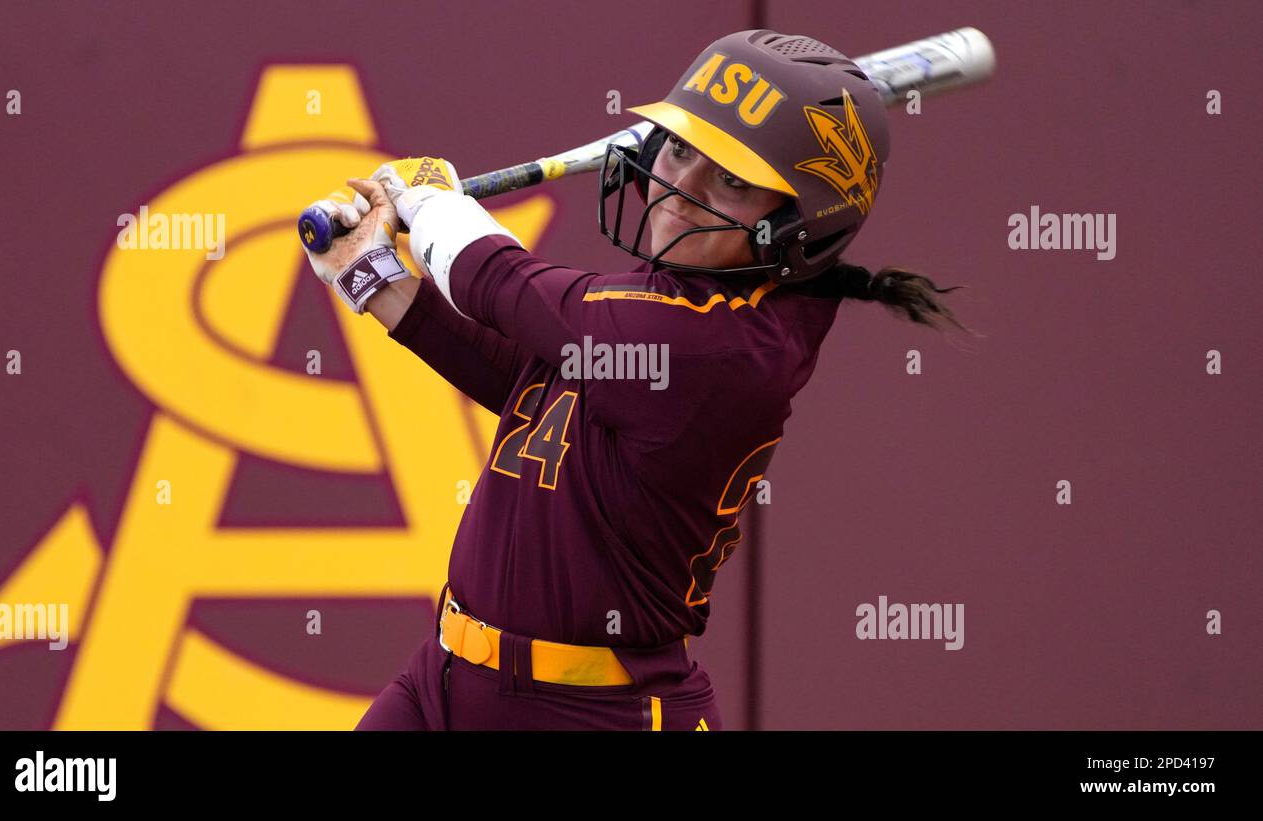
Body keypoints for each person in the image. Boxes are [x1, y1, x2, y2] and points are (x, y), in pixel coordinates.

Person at [303, 30, 972, 730]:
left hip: (595, 710)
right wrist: (372, 276)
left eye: (732, 180)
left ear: (800, 225)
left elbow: (500, 281)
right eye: (681, 150)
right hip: (444, 681)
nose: (681, 189)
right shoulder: (673, 300)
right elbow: (531, 386)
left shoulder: (723, 348)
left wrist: (431, 205)